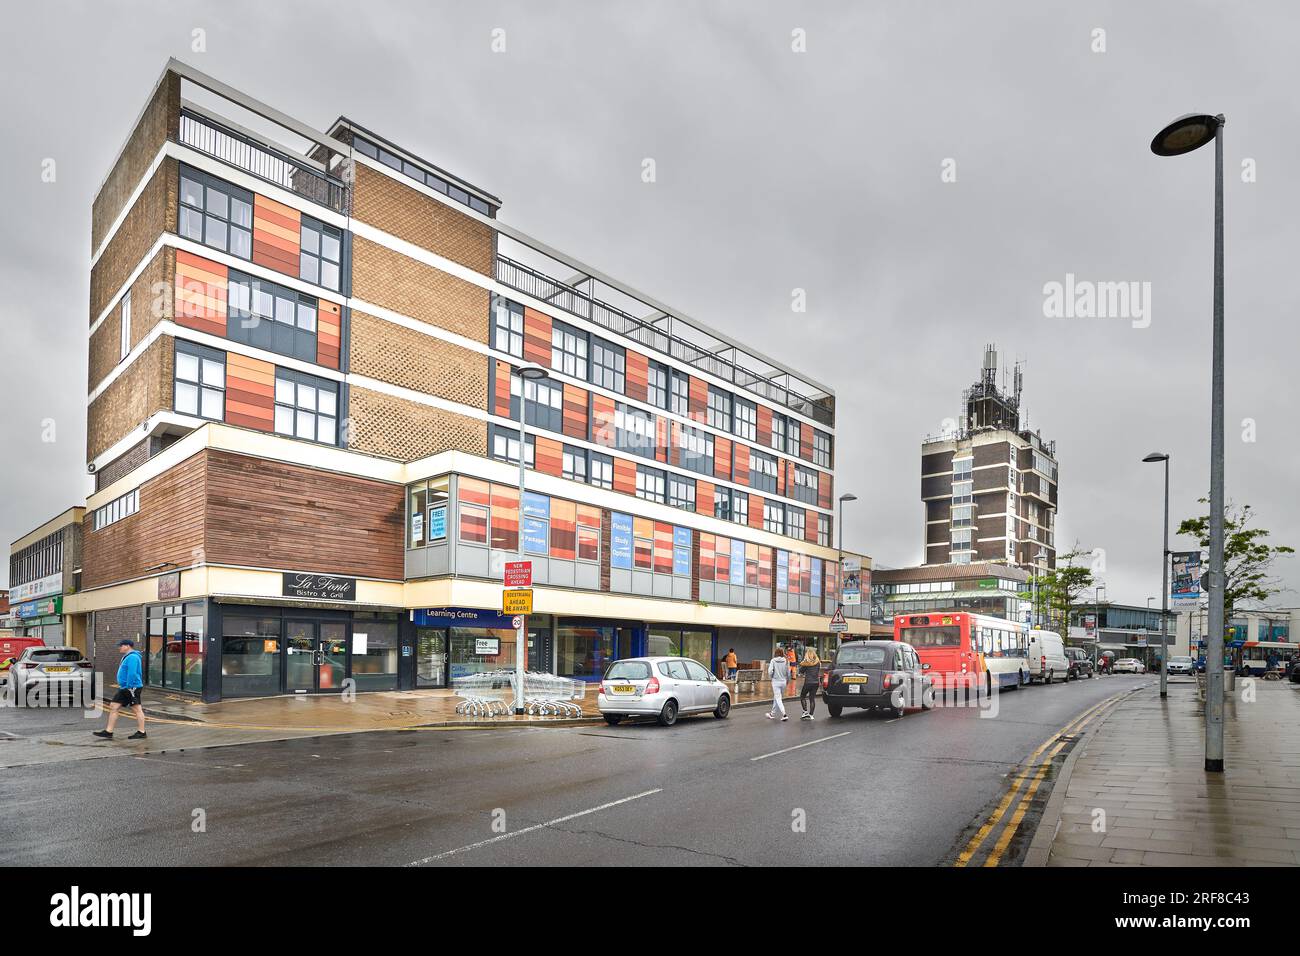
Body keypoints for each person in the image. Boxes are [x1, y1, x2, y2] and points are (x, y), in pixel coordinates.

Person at [94, 639, 147, 740]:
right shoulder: (127, 656)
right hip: (125, 687)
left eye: (121, 645)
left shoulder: (133, 657)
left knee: (137, 709)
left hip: (131, 687)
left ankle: (141, 732)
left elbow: (132, 673)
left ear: (127, 646)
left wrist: (129, 686)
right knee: (114, 706)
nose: (119, 647)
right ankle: (109, 731)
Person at [798, 645, 822, 719]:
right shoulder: (818, 662)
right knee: (812, 698)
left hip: (808, 682)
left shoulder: (807, 663)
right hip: (816, 683)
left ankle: (805, 712)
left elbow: (801, 671)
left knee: (802, 696)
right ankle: (811, 715)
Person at [767, 647, 790, 721]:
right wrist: (788, 681)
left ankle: (784, 714)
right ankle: (772, 714)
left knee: (778, 698)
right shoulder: (786, 660)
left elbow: (770, 671)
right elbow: (788, 673)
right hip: (783, 682)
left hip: (776, 681)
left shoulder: (773, 660)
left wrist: (772, 677)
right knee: (777, 698)